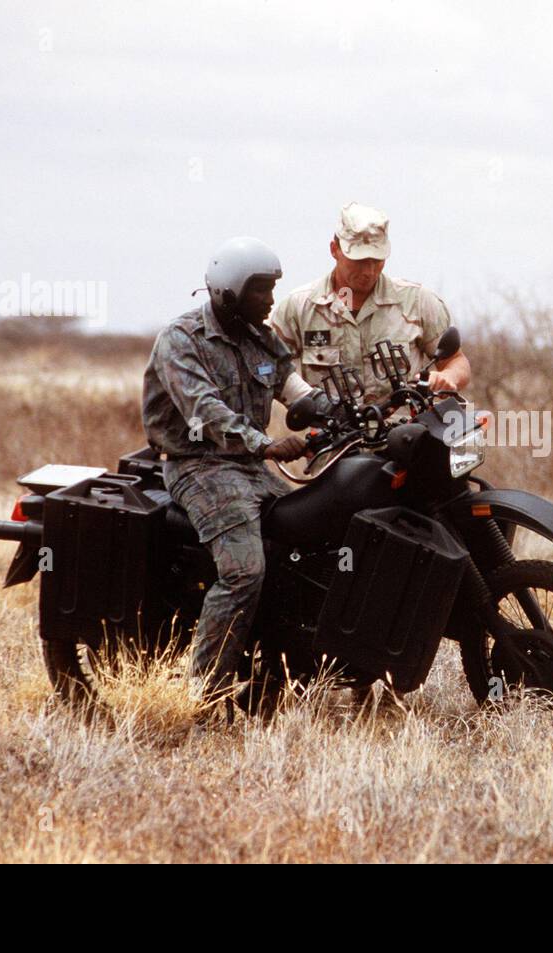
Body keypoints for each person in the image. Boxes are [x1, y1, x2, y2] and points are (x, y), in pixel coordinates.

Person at [142, 236, 317, 708]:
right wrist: (268, 445)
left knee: (308, 545)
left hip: (249, 467)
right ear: (227, 293)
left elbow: (292, 386)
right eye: (260, 289)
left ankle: (271, 677)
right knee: (244, 571)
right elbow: (205, 412)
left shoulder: (260, 337)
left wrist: (338, 414)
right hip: (199, 467)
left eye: (272, 288)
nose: (271, 299)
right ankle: (203, 697)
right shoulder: (181, 340)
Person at [273, 202, 471, 404]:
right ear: (335, 250)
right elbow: (268, 367)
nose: (368, 271)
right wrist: (305, 405)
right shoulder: (299, 308)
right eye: (359, 261)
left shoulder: (418, 302)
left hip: (406, 431)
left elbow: (456, 361)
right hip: (335, 432)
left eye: (377, 260)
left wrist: (448, 377)